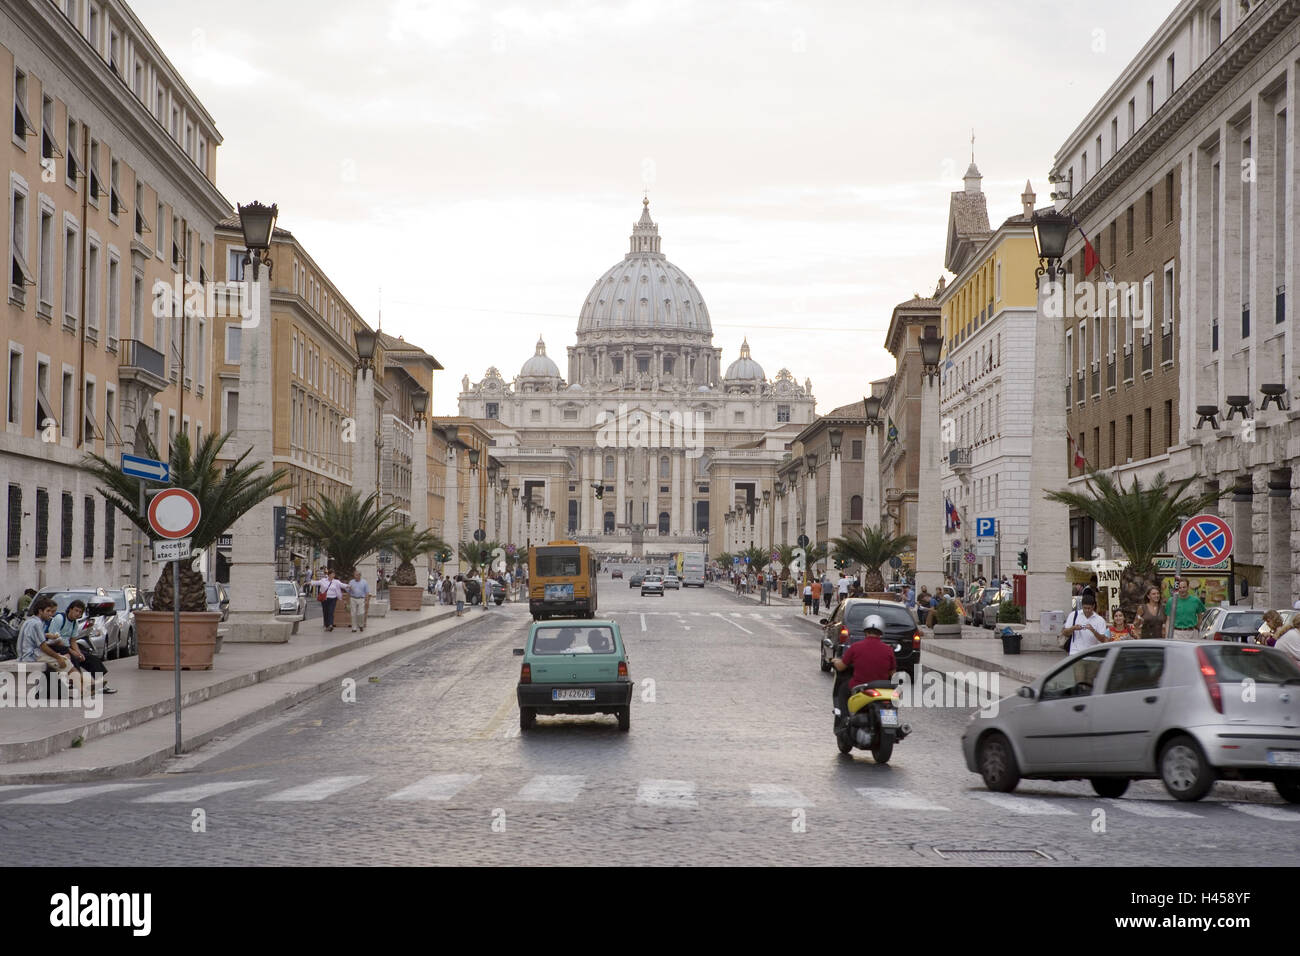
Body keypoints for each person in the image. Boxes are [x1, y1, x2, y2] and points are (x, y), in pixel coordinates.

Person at [830, 615, 897, 721]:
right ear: (881, 632)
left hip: (859, 686)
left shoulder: (856, 647)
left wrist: (834, 661)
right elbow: (893, 673)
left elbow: (841, 667)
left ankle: (844, 719)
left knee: (842, 690)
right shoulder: (888, 649)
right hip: (882, 689)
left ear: (865, 631)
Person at [48, 600, 114, 692]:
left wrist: (79, 653)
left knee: (91, 659)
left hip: (67, 647)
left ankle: (99, 683)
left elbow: (73, 640)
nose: (77, 613)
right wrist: (73, 652)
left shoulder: (74, 623)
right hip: (57, 646)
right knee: (73, 659)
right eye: (76, 610)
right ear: (70, 609)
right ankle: (82, 684)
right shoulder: (60, 618)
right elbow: (56, 640)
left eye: (80, 612)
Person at [18, 597, 61, 664]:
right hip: (31, 656)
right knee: (65, 662)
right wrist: (59, 657)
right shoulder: (37, 623)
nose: (50, 614)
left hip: (24, 655)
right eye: (48, 611)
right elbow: (43, 647)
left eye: (51, 611)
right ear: (40, 611)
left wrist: (46, 635)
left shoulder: (30, 620)